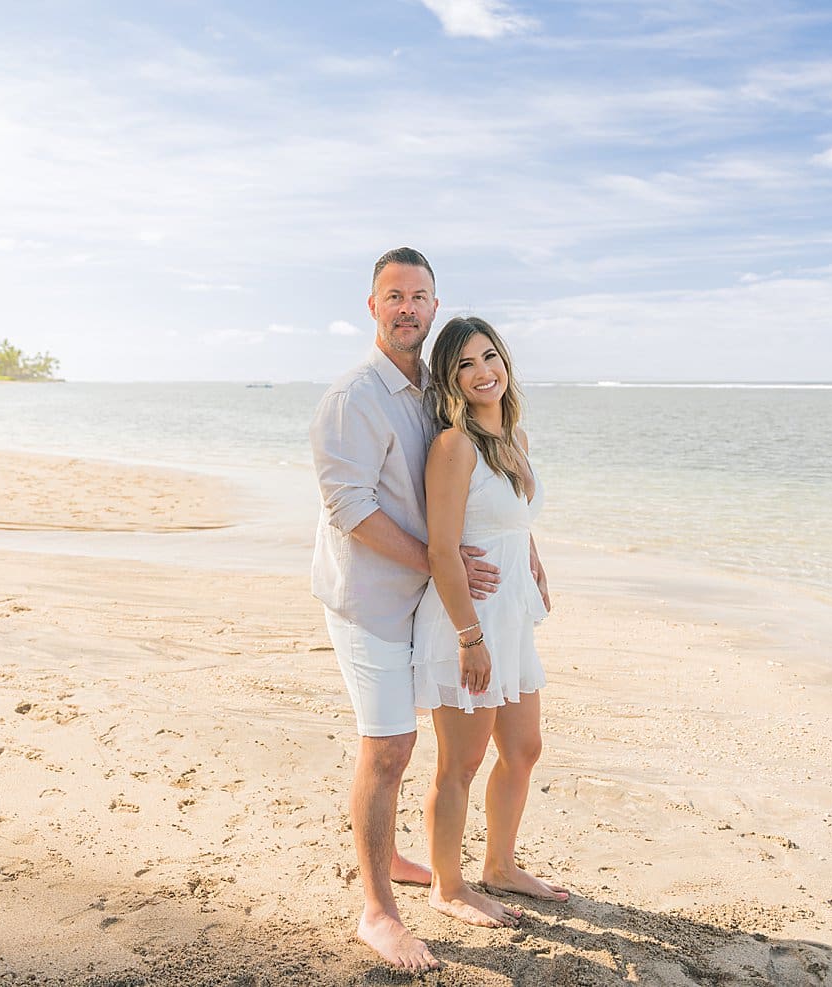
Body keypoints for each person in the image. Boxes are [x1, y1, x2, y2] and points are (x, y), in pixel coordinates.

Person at [310, 248, 500, 972]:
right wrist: (439, 562)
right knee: (387, 747)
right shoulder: (352, 398)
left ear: (434, 304)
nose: (408, 307)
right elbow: (351, 510)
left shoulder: (432, 389)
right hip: (367, 602)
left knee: (418, 742)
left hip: (423, 599)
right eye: (394, 295)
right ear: (372, 306)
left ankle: (394, 858)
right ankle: (378, 912)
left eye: (420, 295)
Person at [412, 315, 570, 929]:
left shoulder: (514, 438)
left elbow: (513, 519)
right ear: (451, 380)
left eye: (489, 357)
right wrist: (468, 637)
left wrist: (535, 562)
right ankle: (447, 888)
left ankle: (499, 866)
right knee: (461, 762)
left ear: (504, 360)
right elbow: (441, 548)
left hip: (511, 616)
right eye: (465, 365)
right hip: (467, 621)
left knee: (525, 748)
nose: (483, 373)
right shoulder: (453, 446)